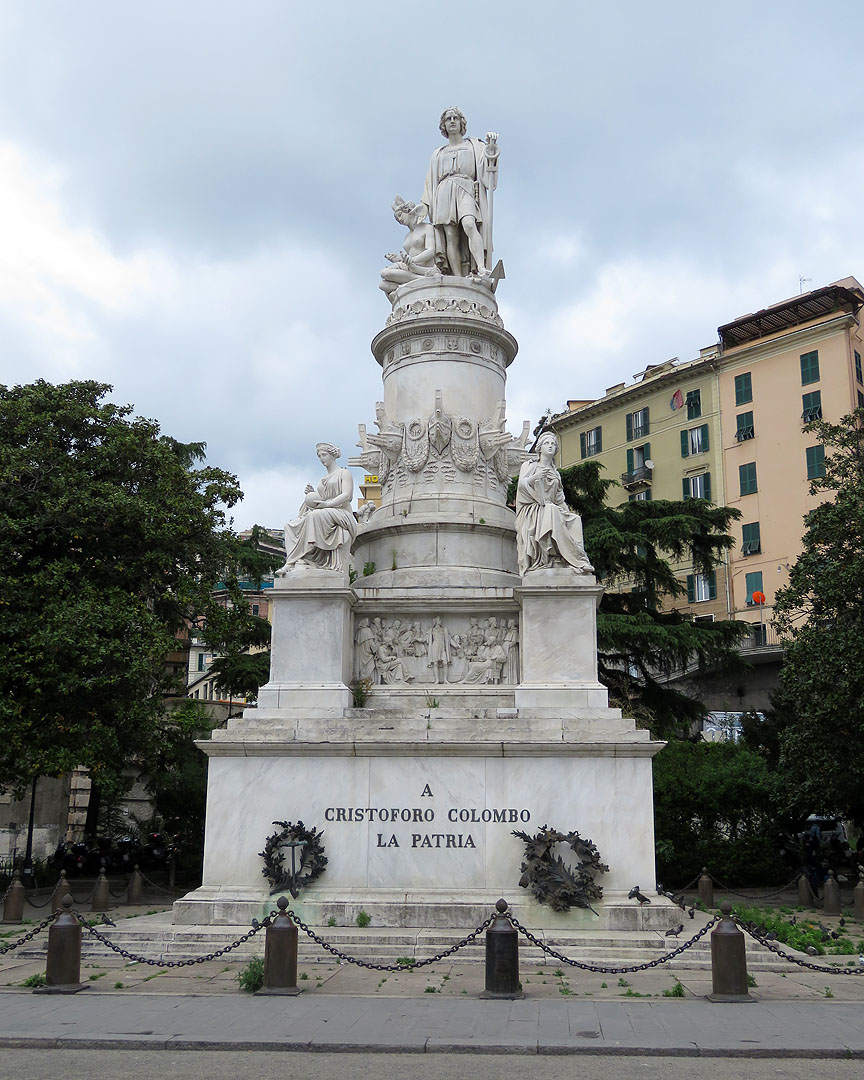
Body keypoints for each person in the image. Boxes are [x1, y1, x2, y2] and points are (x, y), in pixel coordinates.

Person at [421, 107, 498, 279]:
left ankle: (480, 267)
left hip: (466, 187)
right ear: (444, 125)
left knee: (470, 224)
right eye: (448, 119)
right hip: (444, 190)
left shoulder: (474, 146)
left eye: (456, 118)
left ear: (461, 123)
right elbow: (430, 182)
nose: (452, 121)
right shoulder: (438, 153)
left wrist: (491, 148)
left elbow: (487, 168)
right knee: (450, 235)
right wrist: (424, 206)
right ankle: (457, 277)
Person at [515, 432, 593, 576]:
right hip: (532, 509)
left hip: (551, 508)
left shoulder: (555, 473)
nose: (550, 446)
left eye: (553, 444)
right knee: (551, 510)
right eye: (547, 443)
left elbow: (560, 499)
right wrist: (535, 477)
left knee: (574, 519)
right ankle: (571, 560)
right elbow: (521, 486)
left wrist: (567, 514)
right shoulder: (530, 465)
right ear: (540, 448)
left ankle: (578, 559)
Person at [276, 443, 357, 574]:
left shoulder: (344, 473)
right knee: (290, 526)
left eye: (324, 455)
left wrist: (327, 504)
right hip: (325, 511)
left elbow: (347, 495)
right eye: (319, 456)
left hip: (341, 513)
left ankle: (295, 560)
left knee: (313, 516)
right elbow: (321, 500)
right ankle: (293, 561)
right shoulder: (322, 480)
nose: (321, 458)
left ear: (332, 455)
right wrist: (312, 494)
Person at [379, 196, 438, 300]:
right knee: (383, 285)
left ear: (409, 212)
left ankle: (421, 279)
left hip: (421, 268)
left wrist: (413, 260)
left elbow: (431, 251)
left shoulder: (427, 228)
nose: (399, 220)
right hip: (410, 267)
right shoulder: (407, 236)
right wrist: (399, 259)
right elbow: (409, 257)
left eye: (400, 215)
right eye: (397, 218)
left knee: (384, 273)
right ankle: (419, 283)